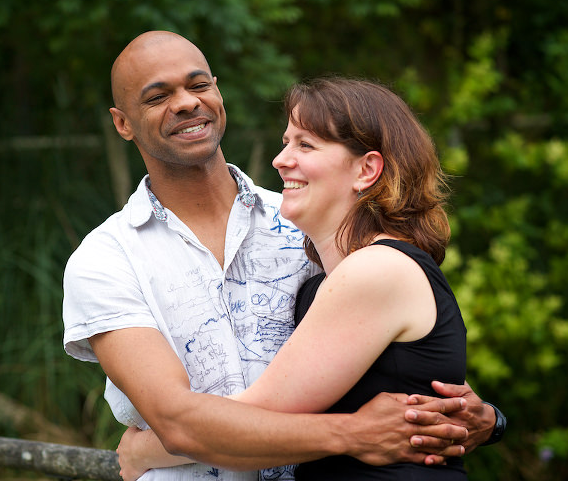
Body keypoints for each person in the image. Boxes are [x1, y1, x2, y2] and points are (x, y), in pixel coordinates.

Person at [62, 31, 500, 481]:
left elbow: (406, 362)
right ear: (122, 123)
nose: (186, 103)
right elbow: (177, 423)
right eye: (157, 96)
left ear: (217, 90)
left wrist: (483, 416)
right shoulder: (105, 261)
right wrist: (353, 433)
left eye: (198, 85)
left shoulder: (307, 220)